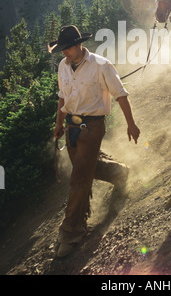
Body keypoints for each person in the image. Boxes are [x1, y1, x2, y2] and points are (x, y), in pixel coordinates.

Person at [48, 25, 140, 258]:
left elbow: (120, 94)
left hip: (92, 126)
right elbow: (62, 97)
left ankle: (71, 233)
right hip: (71, 126)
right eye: (62, 49)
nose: (64, 52)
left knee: (79, 176)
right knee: (88, 168)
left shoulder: (101, 65)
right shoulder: (63, 66)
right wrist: (58, 124)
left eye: (67, 48)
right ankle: (119, 172)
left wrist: (131, 124)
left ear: (79, 45)